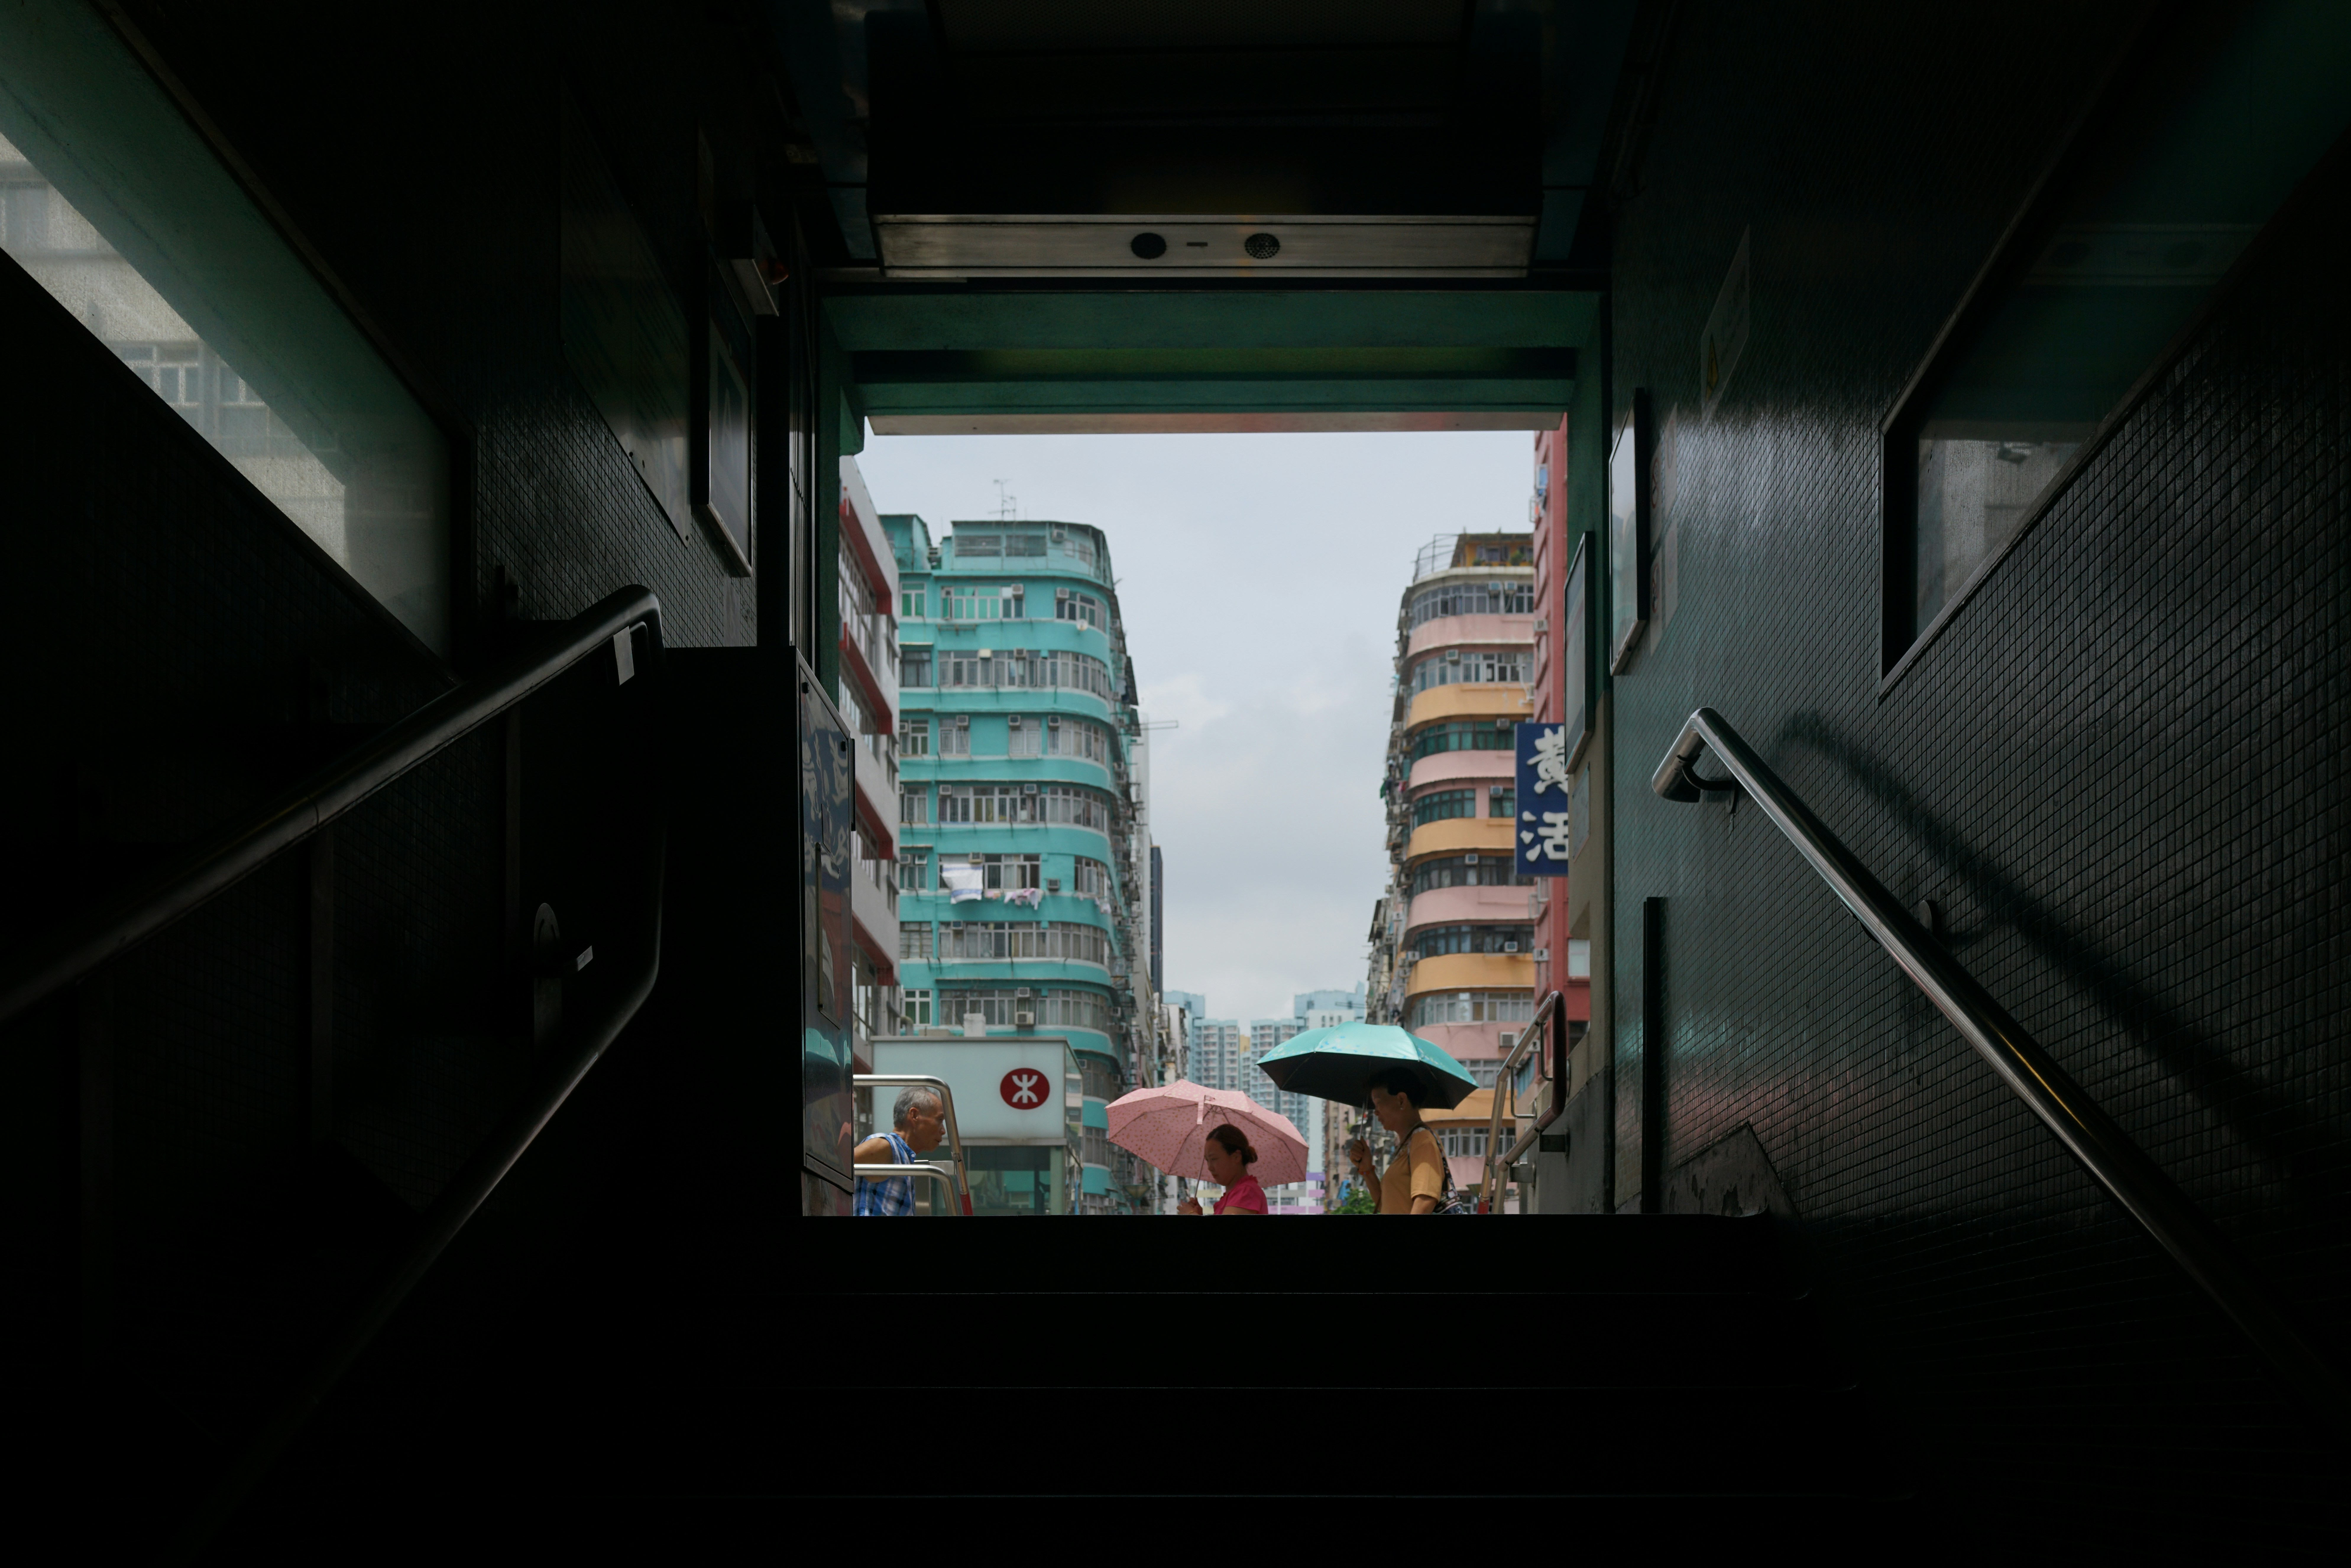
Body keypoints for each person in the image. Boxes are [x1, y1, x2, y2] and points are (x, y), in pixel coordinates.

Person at [1345, 1068, 1446, 1215]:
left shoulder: (1423, 1140)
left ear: (1401, 1100)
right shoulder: (1406, 1145)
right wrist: (1367, 1169)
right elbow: (1386, 1205)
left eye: (1378, 1103)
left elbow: (1425, 1202)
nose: (1376, 1111)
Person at [854, 1087, 946, 1216]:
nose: (943, 1131)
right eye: (939, 1120)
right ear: (914, 1115)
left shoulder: (905, 1158)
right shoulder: (885, 1145)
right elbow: (836, 1167)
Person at [1176, 1123, 1266, 1216]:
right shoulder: (1234, 1193)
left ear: (1236, 1157)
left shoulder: (1246, 1191)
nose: (1210, 1168)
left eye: (1214, 1159)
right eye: (1208, 1160)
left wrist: (1191, 1214)